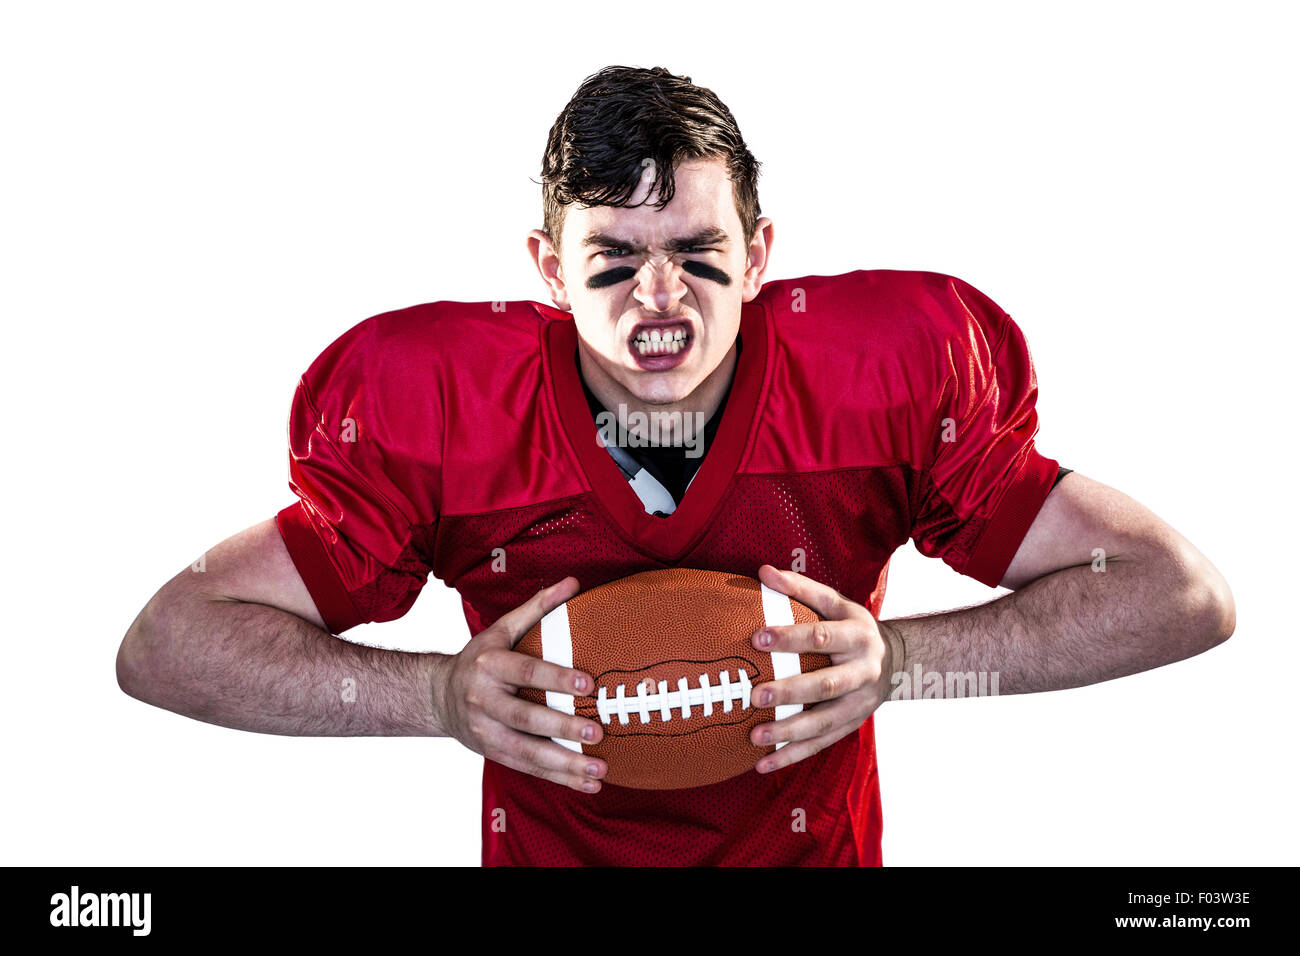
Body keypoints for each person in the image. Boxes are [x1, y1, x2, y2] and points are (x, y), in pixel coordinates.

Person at [116, 65, 1235, 866]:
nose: (660, 298)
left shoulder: (883, 374)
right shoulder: (440, 405)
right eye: (613, 259)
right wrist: (437, 696)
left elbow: (1177, 594)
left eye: (698, 253)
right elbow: (169, 642)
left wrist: (896, 659)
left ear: (757, 257)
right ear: (548, 268)